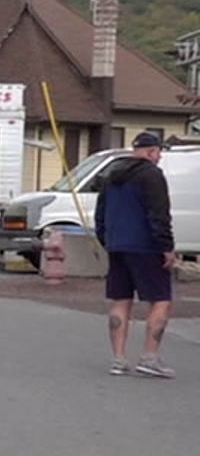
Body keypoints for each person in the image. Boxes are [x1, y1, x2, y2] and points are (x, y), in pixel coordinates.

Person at [95, 131, 177, 378]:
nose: (160, 157)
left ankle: (119, 359)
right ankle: (149, 357)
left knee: (121, 300)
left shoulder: (112, 176)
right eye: (159, 152)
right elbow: (159, 214)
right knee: (161, 299)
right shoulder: (152, 176)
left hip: (117, 245)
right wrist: (167, 246)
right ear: (151, 152)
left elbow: (100, 215)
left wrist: (107, 240)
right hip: (146, 246)